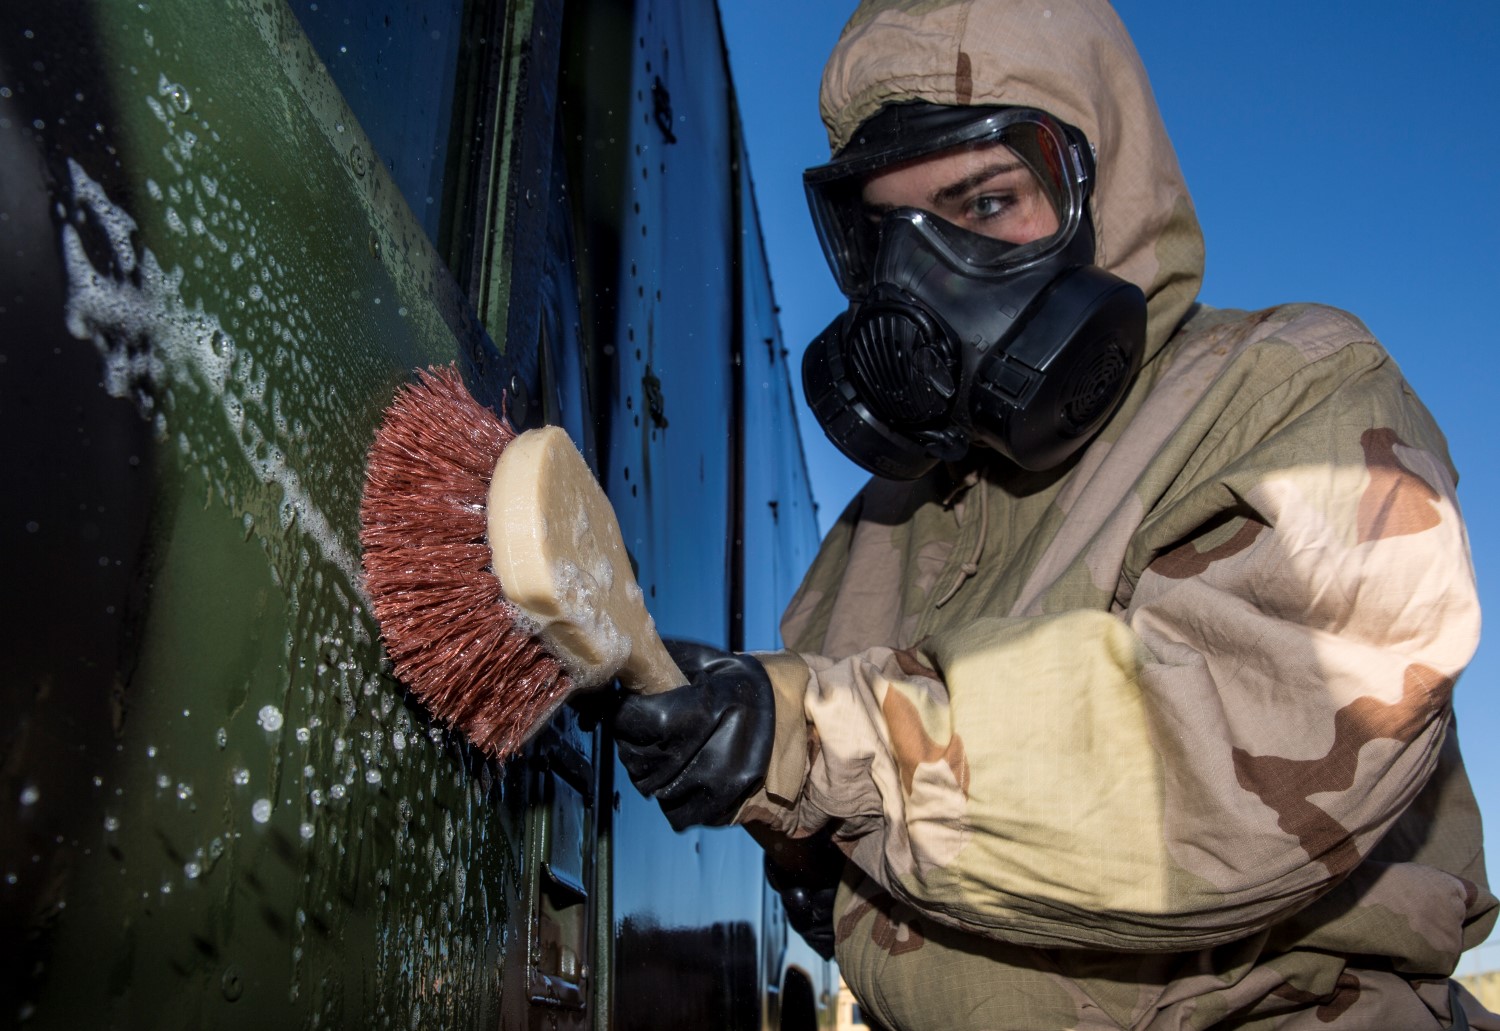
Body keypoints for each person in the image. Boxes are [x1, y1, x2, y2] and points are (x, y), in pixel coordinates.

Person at [612, 1, 1496, 1027]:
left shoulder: (1292, 393)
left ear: (1104, 191)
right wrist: (800, 839)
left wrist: (816, 737)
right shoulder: (870, 538)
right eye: (883, 237)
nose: (921, 286)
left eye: (984, 205)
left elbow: (1232, 763)